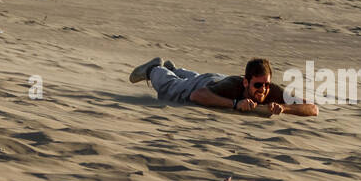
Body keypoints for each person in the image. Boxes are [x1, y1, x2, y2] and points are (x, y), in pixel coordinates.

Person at [129, 56, 318, 116]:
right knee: (174, 89)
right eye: (258, 85)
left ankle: (175, 68)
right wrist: (235, 104)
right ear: (246, 82)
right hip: (208, 84)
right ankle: (154, 68)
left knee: (192, 78)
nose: (263, 90)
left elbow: (313, 108)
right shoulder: (231, 88)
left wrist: (285, 108)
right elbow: (197, 95)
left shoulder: (272, 91)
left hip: (217, 79)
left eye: (266, 85)